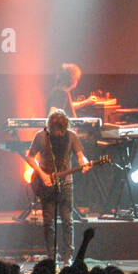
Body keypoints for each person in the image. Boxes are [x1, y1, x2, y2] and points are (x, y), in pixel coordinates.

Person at [26, 108, 94, 264]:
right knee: (49, 221)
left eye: (60, 130)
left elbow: (80, 155)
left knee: (67, 221)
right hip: (46, 184)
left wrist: (83, 162)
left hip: (66, 184)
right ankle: (51, 256)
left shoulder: (72, 137)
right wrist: (42, 175)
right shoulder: (41, 137)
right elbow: (30, 157)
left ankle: (67, 256)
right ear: (49, 126)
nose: (57, 133)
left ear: (65, 127)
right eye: (54, 130)